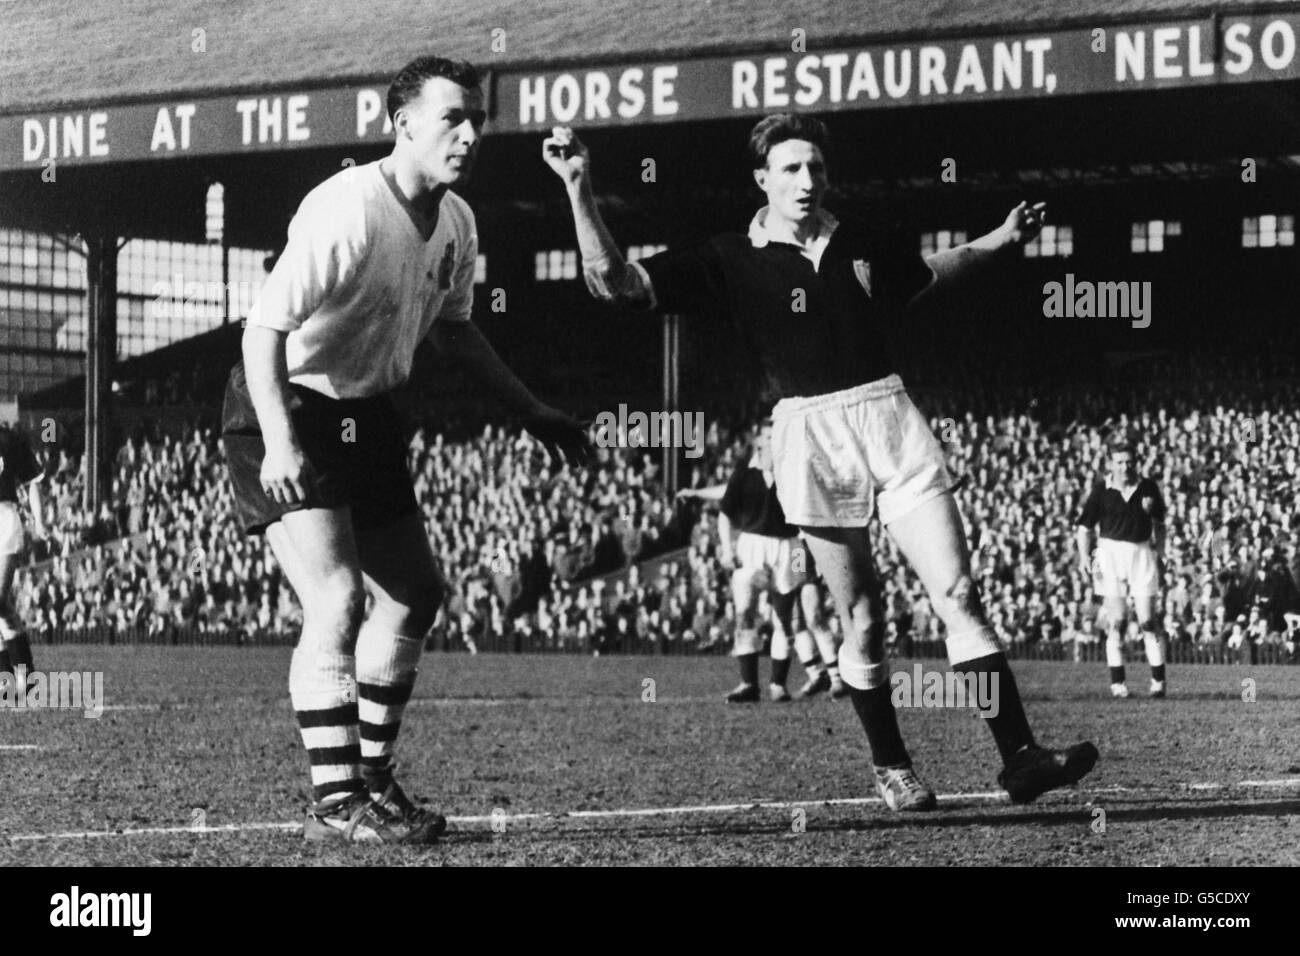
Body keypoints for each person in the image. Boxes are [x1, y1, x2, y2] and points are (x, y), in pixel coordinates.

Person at [546, 113, 1098, 810]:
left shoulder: (861, 238)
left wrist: (999, 239)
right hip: (810, 432)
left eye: (815, 167)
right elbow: (614, 282)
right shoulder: (727, 257)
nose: (806, 180)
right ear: (762, 179)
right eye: (790, 169)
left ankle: (1019, 756)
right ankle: (892, 765)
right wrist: (578, 186)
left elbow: (930, 274)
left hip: (890, 416)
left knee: (958, 592)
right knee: (864, 615)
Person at [223, 55, 588, 845]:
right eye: (453, 118)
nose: (470, 134)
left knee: (416, 594)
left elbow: (456, 332)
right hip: (287, 403)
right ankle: (335, 803)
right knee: (337, 597)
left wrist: (531, 410)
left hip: (366, 411)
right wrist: (279, 442)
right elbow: (262, 330)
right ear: (404, 124)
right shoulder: (349, 207)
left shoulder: (458, 223)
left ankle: (373, 781)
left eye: (477, 121)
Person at [678, 421, 828, 703]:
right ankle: (749, 683)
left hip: (787, 548)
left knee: (785, 619)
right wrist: (726, 549)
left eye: (776, 436)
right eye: (768, 437)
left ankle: (779, 685)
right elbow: (725, 512)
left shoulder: (791, 473)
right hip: (752, 546)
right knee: (745, 611)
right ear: (759, 443)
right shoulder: (745, 475)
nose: (773, 441)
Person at [1075, 438, 1168, 698]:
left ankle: (1158, 682)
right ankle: (1118, 684)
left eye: (1129, 462)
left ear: (1136, 463)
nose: (1124, 467)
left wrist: (1161, 553)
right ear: (1110, 464)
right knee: (1117, 620)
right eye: (1119, 462)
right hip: (1110, 554)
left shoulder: (1148, 488)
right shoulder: (1101, 490)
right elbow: (1084, 528)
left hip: (1141, 552)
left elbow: (1160, 524)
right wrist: (1084, 557)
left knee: (1147, 620)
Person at [0, 422, 46, 688]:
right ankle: (13, 677)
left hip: (5, 520)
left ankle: (18, 673)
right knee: (2, 607)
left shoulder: (10, 439)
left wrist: (39, 521)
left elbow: (32, 482)